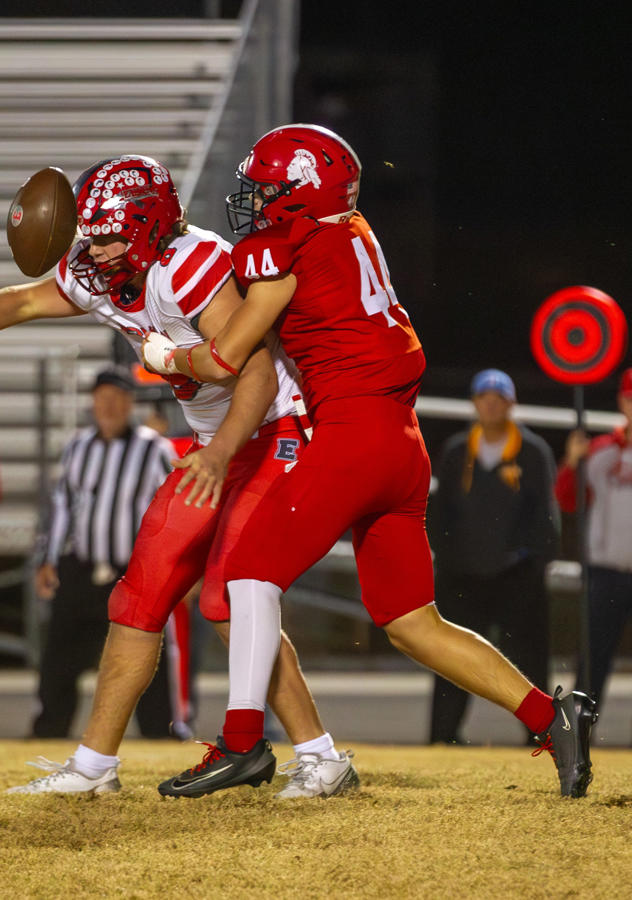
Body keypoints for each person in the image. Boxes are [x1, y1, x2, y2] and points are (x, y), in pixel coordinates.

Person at [143, 124, 597, 798]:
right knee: (413, 622)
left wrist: (164, 357)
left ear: (300, 192)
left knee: (246, 574)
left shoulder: (282, 248)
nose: (254, 200)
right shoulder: (351, 227)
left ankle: (241, 744)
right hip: (401, 443)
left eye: (267, 189)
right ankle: (551, 715)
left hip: (354, 435)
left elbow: (227, 356)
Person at [0, 154, 357, 799]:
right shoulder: (102, 267)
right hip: (213, 442)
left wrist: (218, 452)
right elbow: (26, 299)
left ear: (148, 225)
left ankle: (319, 755)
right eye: (92, 233)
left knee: (226, 597)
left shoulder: (191, 265)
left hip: (271, 432)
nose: (95, 248)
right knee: (138, 596)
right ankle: (93, 765)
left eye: (108, 234)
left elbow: (250, 368)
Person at [32, 365, 191, 741]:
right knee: (59, 657)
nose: (110, 404)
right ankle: (48, 730)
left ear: (130, 402)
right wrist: (48, 558)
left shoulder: (153, 448)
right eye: (103, 396)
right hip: (81, 566)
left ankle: (162, 731)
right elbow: (62, 506)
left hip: (132, 571)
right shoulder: (78, 445)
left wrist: (175, 564)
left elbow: (172, 508)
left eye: (118, 397)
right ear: (93, 402)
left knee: (147, 652)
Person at [428, 368, 559, 744]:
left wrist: (534, 562)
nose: (490, 404)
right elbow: (441, 513)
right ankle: (442, 738)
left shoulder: (532, 451)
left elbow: (545, 516)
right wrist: (447, 558)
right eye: (484, 397)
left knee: (529, 661)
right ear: (473, 402)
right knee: (453, 661)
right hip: (462, 577)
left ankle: (544, 738)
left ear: (511, 403)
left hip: (516, 575)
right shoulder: (456, 451)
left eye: (498, 398)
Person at [555, 366, 632, 713]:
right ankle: (578, 740)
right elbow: (568, 501)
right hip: (604, 571)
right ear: (622, 402)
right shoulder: (600, 450)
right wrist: (572, 464)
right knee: (592, 658)